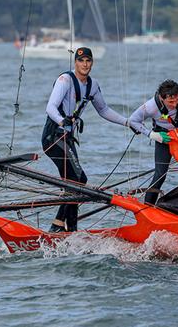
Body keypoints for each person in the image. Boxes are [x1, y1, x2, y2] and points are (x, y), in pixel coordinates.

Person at [42, 47, 129, 232]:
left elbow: (104, 110)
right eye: (81, 61)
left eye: (88, 61)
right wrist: (61, 119)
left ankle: (70, 230)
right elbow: (50, 107)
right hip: (53, 138)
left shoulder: (93, 85)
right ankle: (58, 226)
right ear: (75, 63)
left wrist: (128, 123)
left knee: (73, 182)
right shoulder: (65, 80)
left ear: (92, 63)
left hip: (67, 139)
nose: (85, 64)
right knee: (79, 180)